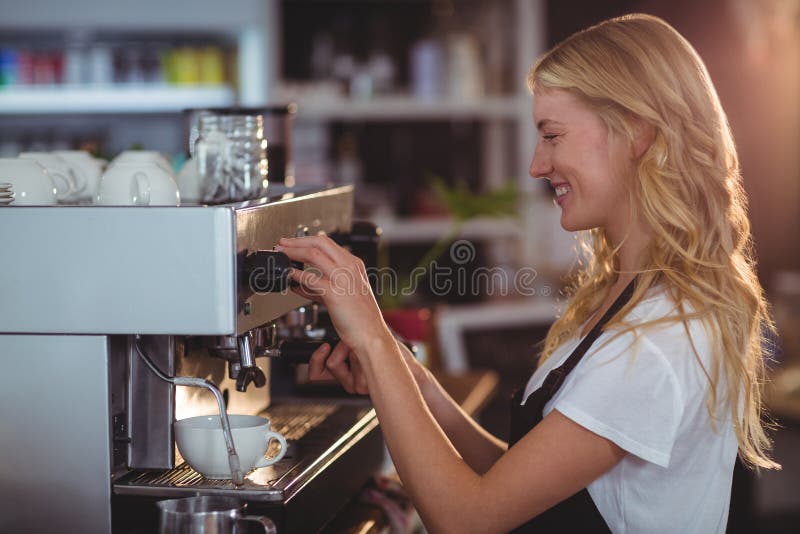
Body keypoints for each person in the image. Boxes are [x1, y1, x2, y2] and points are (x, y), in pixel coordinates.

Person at [275, 13, 780, 533]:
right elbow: (521, 485)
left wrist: (376, 339)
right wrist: (411, 381)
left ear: (638, 132)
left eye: (553, 135)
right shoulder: (630, 294)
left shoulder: (659, 337)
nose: (537, 165)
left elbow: (467, 519)